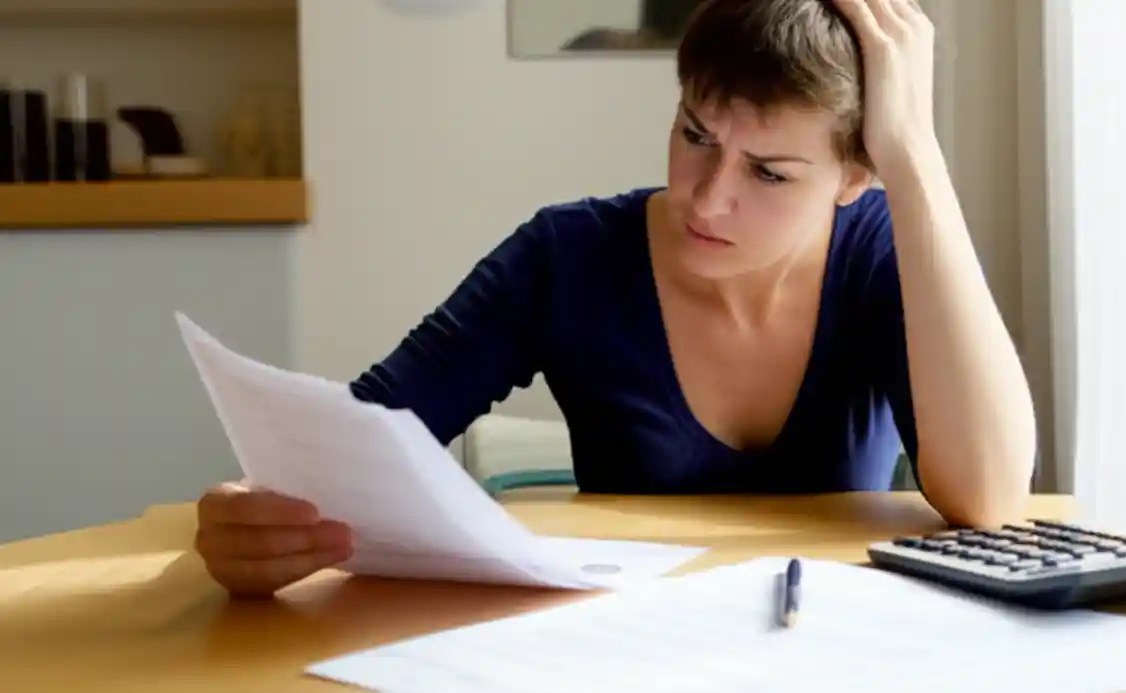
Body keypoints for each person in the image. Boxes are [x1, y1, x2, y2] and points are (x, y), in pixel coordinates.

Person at [195, 0, 1038, 598]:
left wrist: (914, 154)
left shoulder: (886, 250)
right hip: (618, 662)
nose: (707, 198)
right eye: (696, 135)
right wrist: (254, 517)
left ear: (856, 176)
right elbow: (358, 442)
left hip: (833, 664)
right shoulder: (567, 256)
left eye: (770, 174)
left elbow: (992, 497)